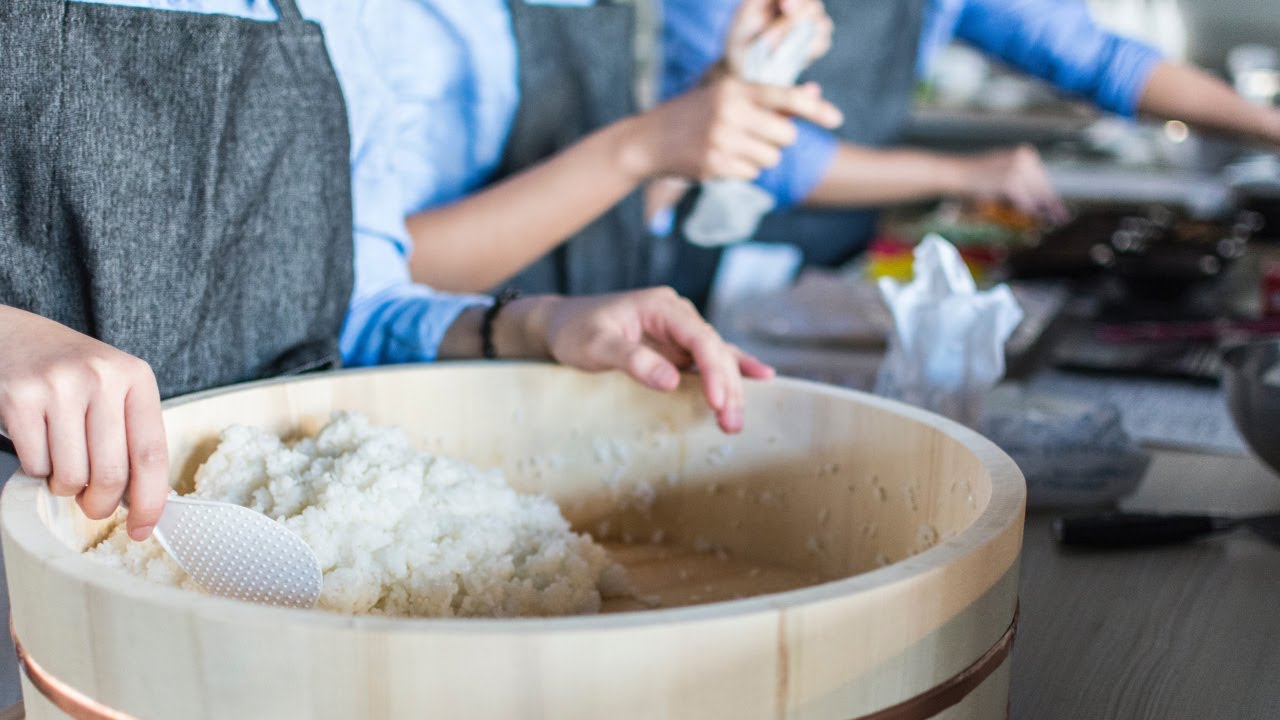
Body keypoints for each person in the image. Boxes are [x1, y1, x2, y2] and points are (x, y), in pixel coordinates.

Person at [0, 0, 771, 544]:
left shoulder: (341, 18)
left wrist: (535, 323)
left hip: (255, 546)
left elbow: (356, 303)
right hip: (35, 550)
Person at [662, 0, 1280, 305]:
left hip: (835, 254)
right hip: (698, 251)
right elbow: (767, 155)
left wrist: (1266, 126)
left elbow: (1095, 58)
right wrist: (962, 172)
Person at [376, 0, 840, 296]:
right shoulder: (402, 23)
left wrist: (720, 96)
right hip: (442, 378)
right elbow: (377, 272)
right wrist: (641, 147)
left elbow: (613, 220)